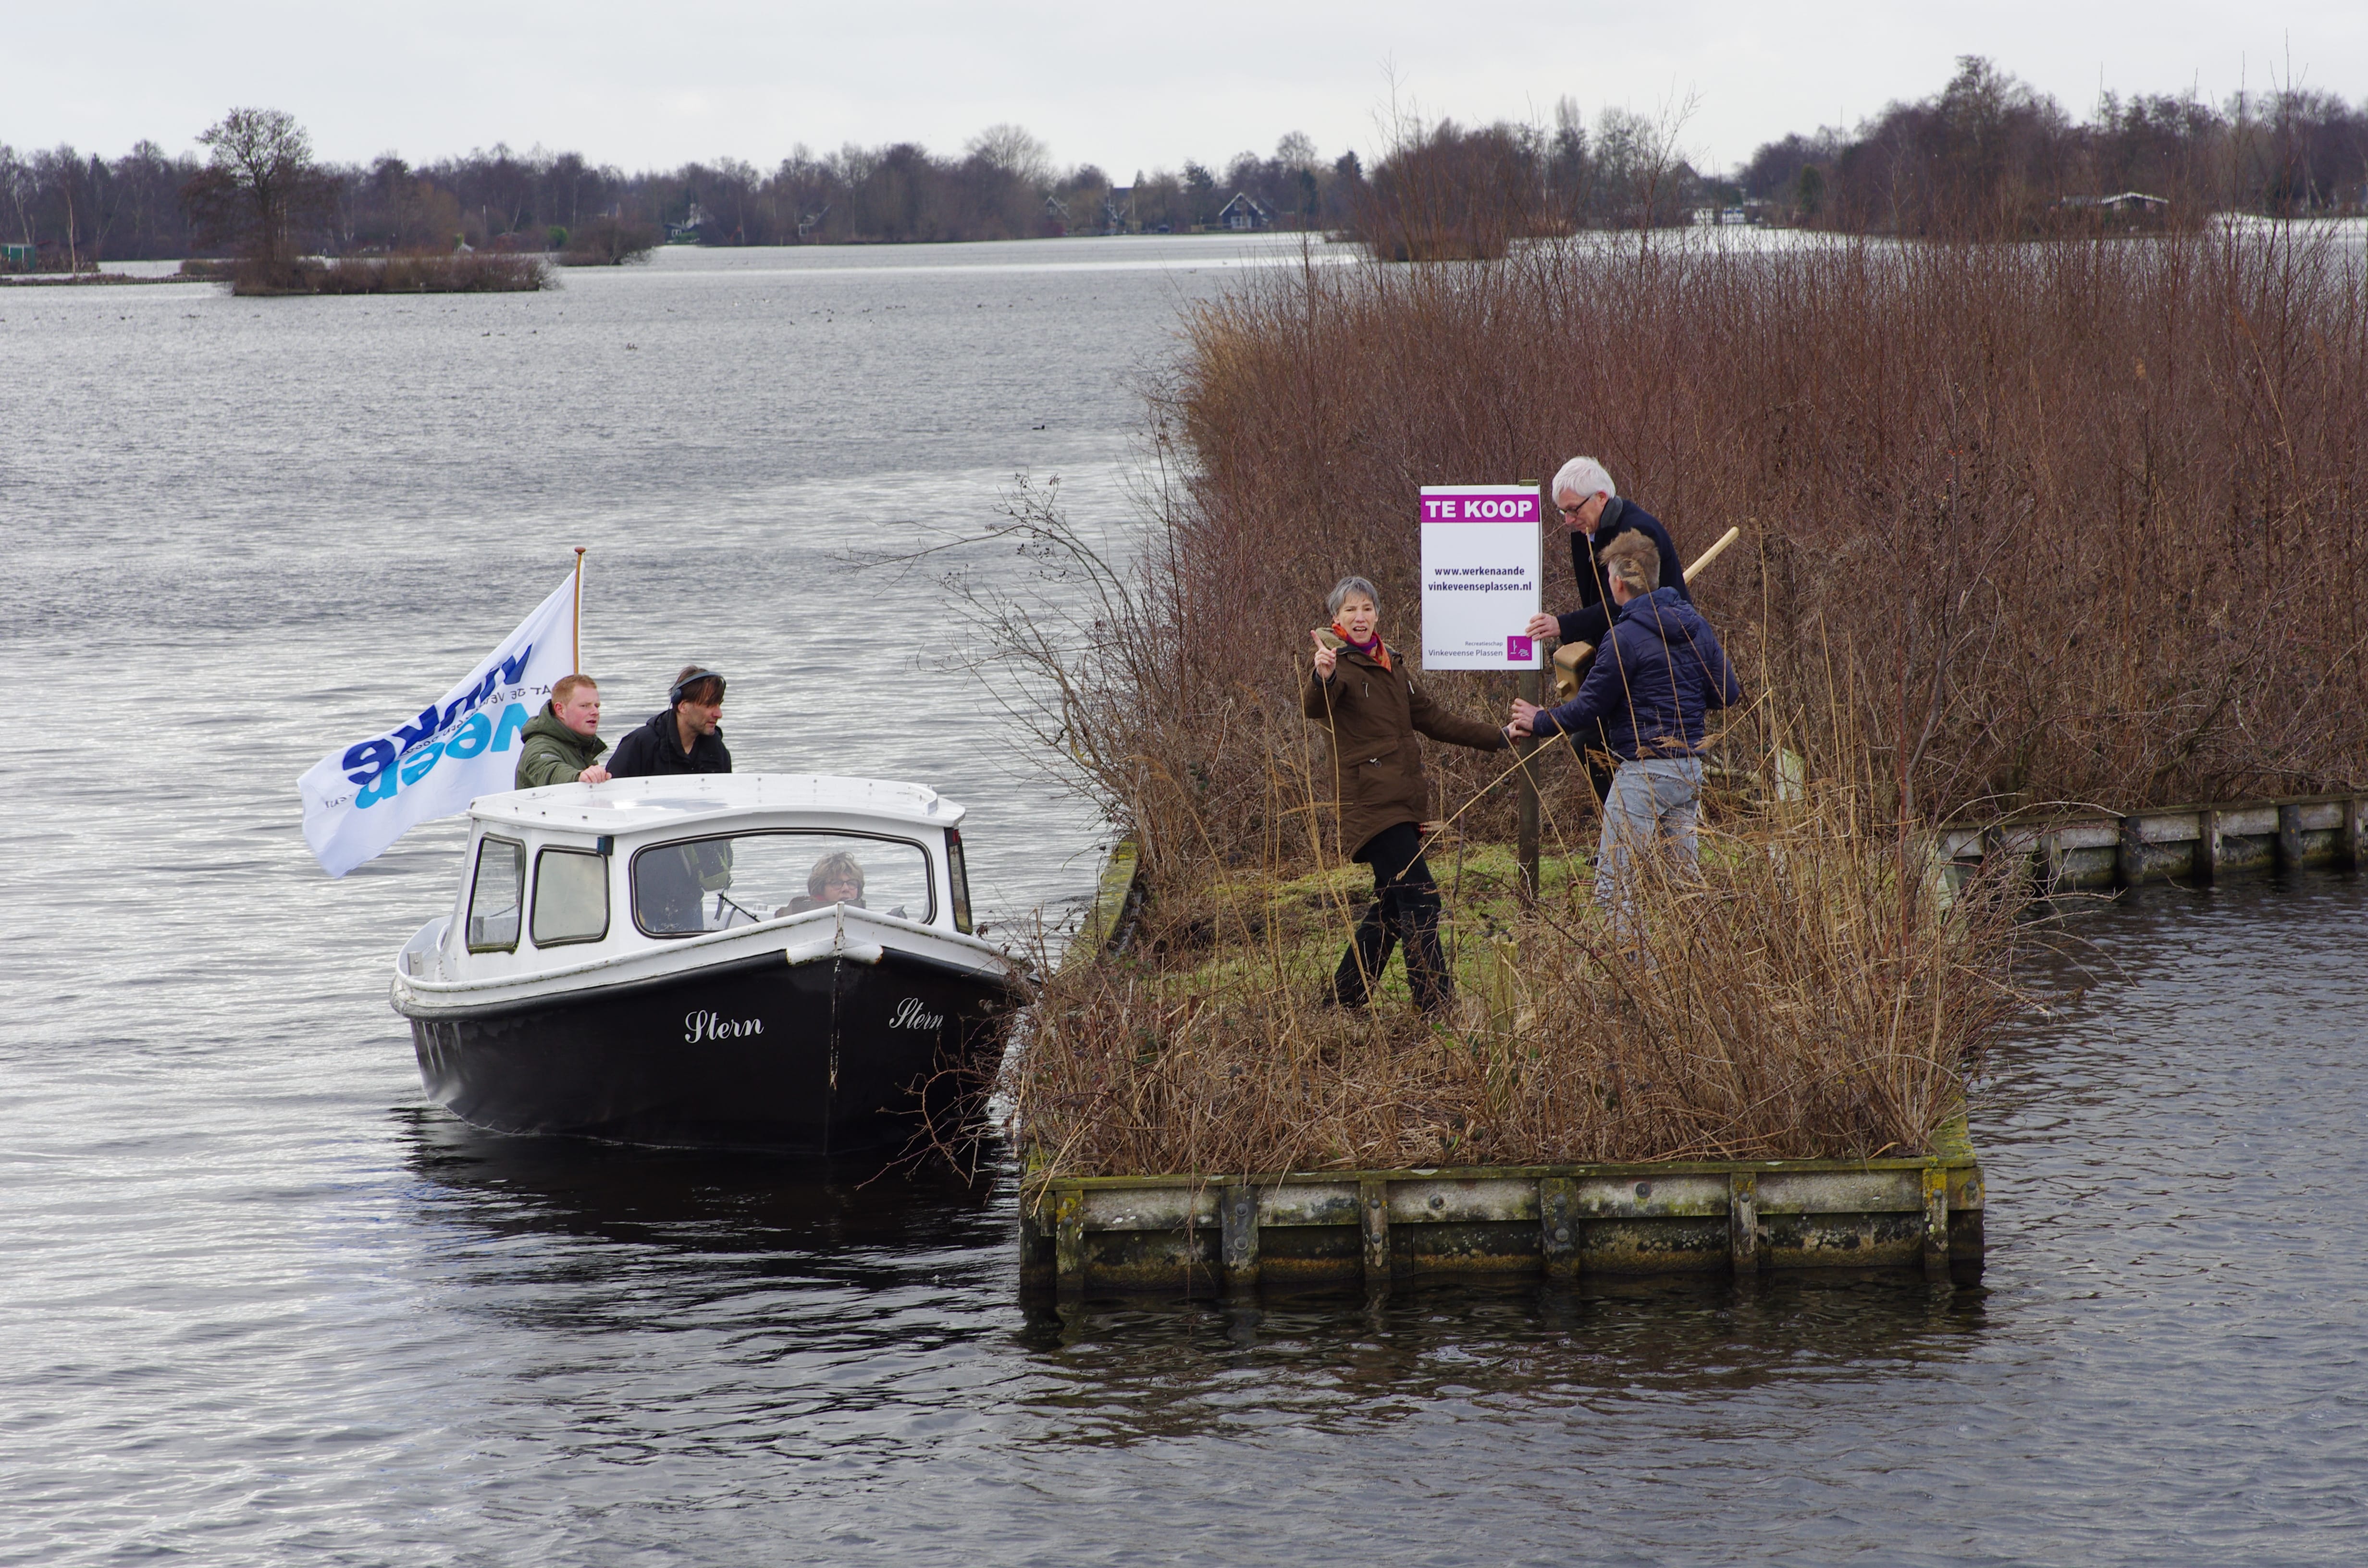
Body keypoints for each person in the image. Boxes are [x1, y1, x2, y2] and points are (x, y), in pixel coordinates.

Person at [1511, 530, 1741, 931]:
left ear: (1618, 583)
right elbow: (1727, 693)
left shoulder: (1624, 637)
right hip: (1689, 770)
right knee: (1684, 886)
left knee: (1615, 887)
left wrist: (1540, 720)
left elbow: (1589, 708)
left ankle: (1636, 963)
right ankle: (1698, 962)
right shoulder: (1696, 626)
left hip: (1644, 775)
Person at [1305, 575, 1515, 1013]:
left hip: (1401, 802)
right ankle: (1434, 1006)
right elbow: (1317, 706)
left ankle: (1341, 1001)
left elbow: (1434, 719)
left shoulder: (1390, 664)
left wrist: (1499, 736)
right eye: (1350, 610)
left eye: (1367, 609)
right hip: (1370, 805)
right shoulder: (1336, 664)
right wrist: (1322, 677)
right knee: (1421, 896)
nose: (1360, 617)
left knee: (1391, 905)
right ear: (1336, 618)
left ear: (1377, 615)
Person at [1523, 456, 1690, 802]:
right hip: (1621, 654)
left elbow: (1622, 604)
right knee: (1593, 742)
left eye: (1573, 510)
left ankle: (1627, 826)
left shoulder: (1637, 535)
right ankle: (1626, 826)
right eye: (1563, 512)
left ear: (1601, 497)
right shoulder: (1589, 534)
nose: (1568, 520)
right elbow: (1600, 600)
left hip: (1652, 663)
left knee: (1596, 740)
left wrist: (1563, 625)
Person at [608, 666, 732, 777]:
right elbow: (611, 790)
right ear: (683, 707)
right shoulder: (640, 745)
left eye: (719, 705)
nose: (719, 714)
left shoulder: (717, 749)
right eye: (709, 705)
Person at [514, 674, 613, 789]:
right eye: (585, 706)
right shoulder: (538, 747)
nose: (595, 712)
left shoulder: (582, 746)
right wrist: (579, 777)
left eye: (597, 706)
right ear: (560, 710)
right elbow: (550, 771)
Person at [782, 851, 866, 915]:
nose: (846, 889)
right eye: (836, 883)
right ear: (821, 888)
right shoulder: (797, 914)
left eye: (852, 883)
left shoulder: (868, 918)